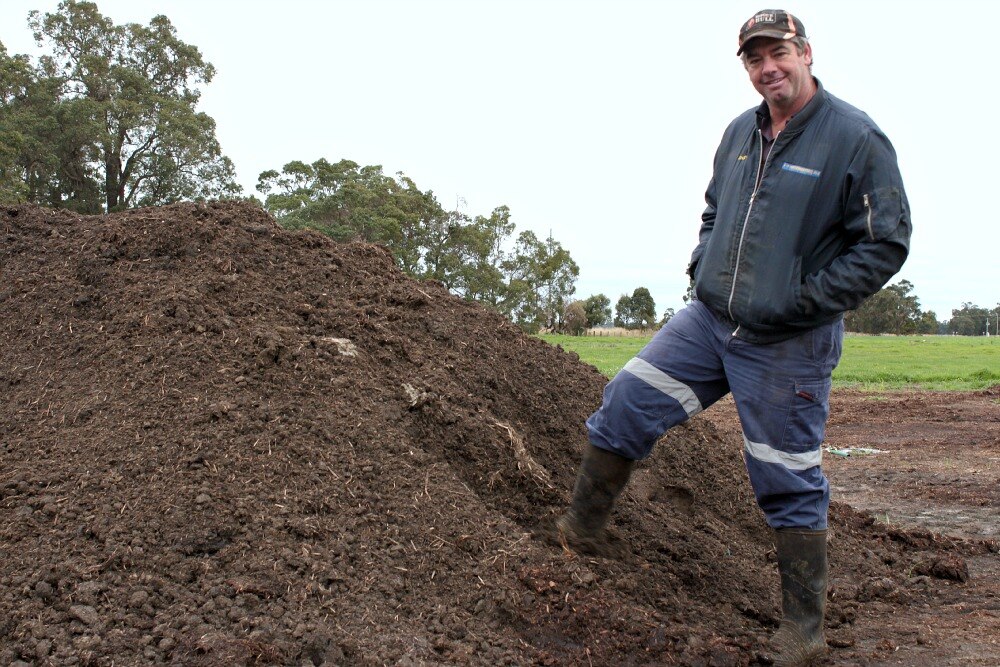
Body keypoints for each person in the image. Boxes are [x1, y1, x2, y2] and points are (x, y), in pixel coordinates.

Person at [556, 9, 910, 666]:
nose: (767, 68)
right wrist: (703, 266)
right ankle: (581, 532)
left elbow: (884, 243)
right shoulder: (739, 133)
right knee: (626, 402)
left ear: (806, 53)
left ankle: (803, 630)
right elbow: (716, 209)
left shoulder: (855, 137)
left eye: (778, 53)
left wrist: (804, 299)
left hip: (788, 340)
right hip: (710, 320)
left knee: (785, 476)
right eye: (754, 58)